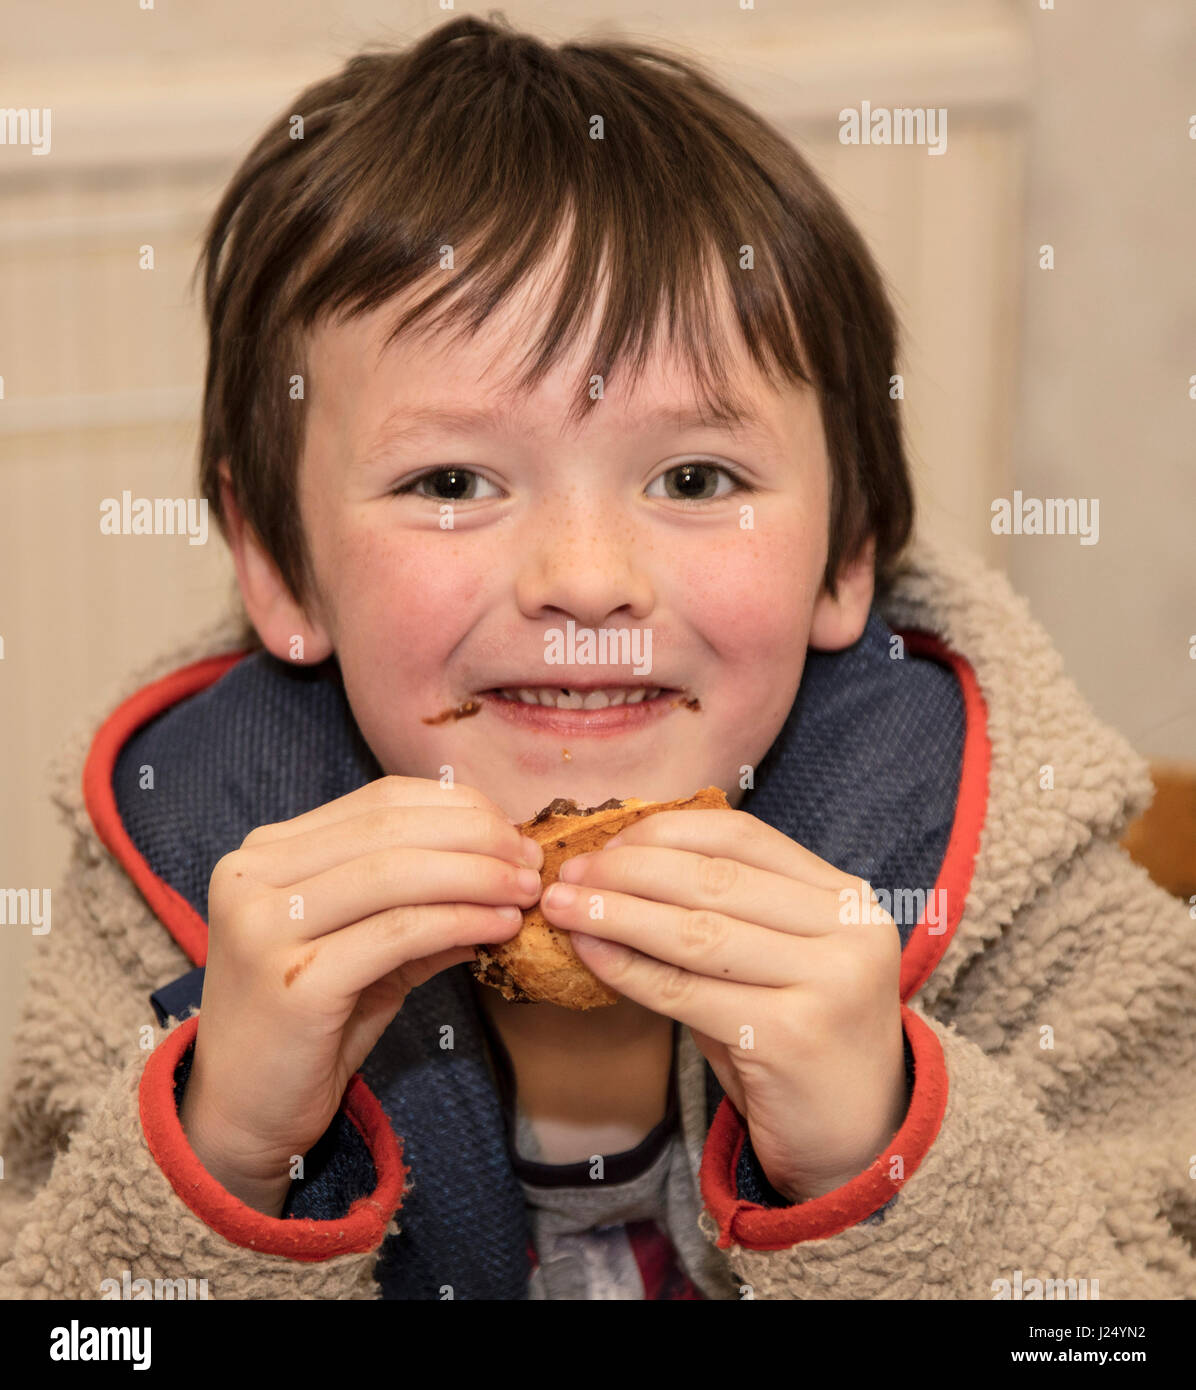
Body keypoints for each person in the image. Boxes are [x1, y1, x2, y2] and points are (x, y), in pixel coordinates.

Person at [1, 14, 1192, 1300]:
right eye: (451, 479)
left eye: (693, 476)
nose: (582, 577)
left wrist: (883, 1156)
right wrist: (224, 1154)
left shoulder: (1012, 891)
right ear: (281, 567)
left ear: (846, 552)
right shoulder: (169, 906)